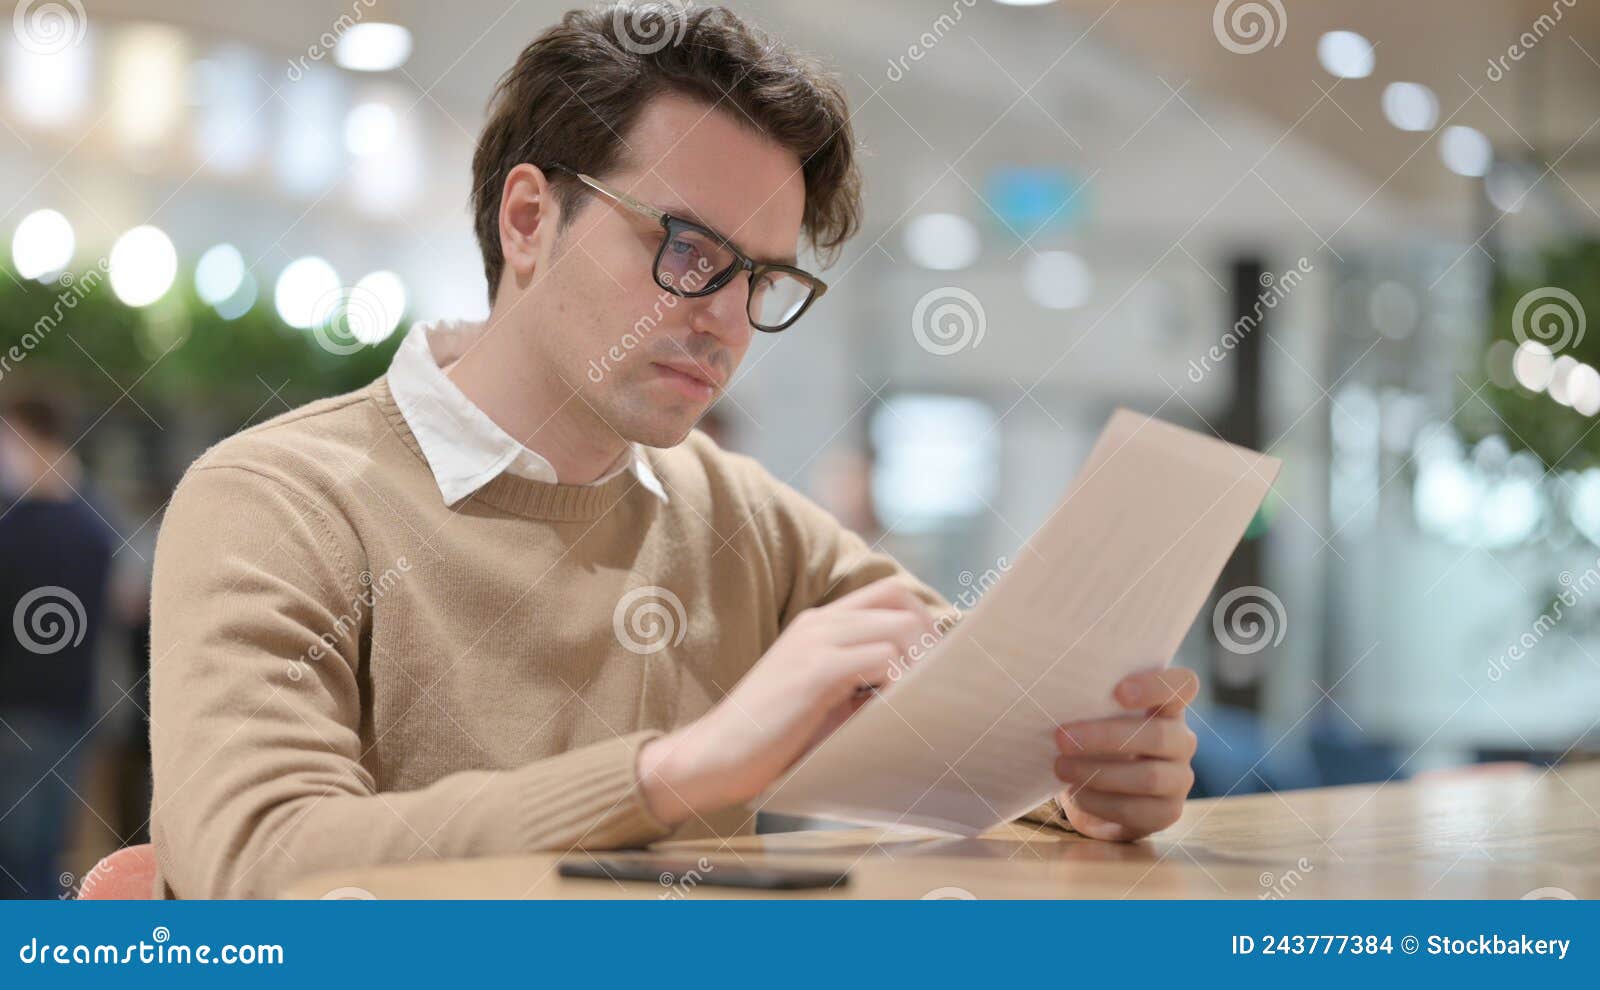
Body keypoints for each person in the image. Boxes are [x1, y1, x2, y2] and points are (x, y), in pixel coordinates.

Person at [149, 3, 1199, 899]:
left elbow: (978, 698)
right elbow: (255, 860)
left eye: (761, 279)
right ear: (528, 220)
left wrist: (1076, 776)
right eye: (690, 251)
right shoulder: (280, 502)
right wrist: (673, 774)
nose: (728, 321)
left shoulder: (734, 513)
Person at [0, 394, 117, 899]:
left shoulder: (72, 524)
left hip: (40, 710)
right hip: (57, 708)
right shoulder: (91, 519)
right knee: (32, 853)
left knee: (27, 855)